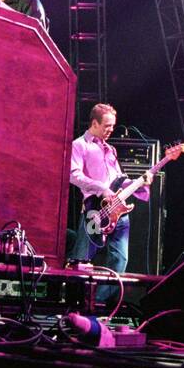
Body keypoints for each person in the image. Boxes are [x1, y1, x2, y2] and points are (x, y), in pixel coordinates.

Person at [68, 103, 151, 274]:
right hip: (95, 210)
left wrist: (139, 183)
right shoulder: (80, 145)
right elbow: (73, 175)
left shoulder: (110, 149)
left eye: (113, 125)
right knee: (82, 260)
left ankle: (101, 300)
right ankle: (80, 299)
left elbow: (118, 180)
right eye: (107, 126)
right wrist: (101, 188)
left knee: (120, 260)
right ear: (94, 123)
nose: (111, 129)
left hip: (118, 210)